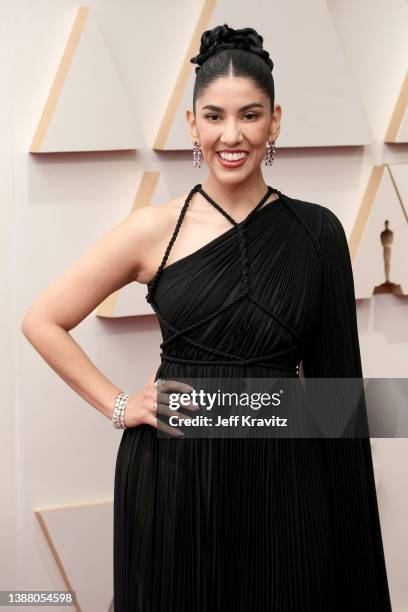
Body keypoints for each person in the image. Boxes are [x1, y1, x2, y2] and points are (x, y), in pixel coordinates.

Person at [21, 23, 392, 612]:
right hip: (174, 473)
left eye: (250, 114)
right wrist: (121, 405)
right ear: (192, 124)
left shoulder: (318, 231)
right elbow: (42, 319)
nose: (232, 134)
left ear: (275, 121)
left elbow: (336, 393)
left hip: (284, 477)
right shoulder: (154, 229)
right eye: (214, 116)